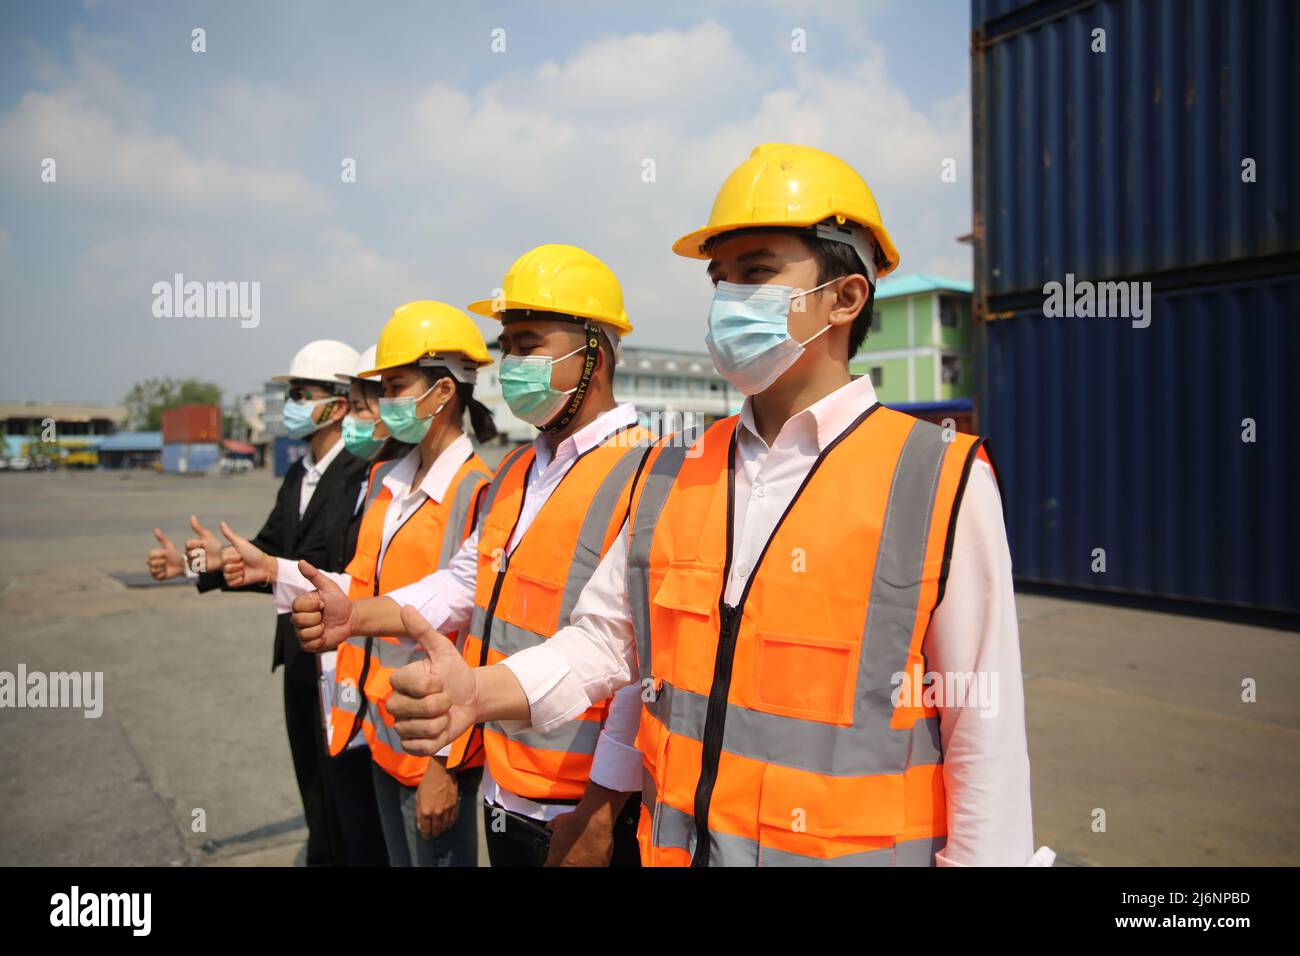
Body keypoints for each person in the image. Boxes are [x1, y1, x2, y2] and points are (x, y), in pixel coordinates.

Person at [384, 144, 1055, 867]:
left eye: (757, 273)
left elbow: (981, 735)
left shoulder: (936, 478)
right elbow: (605, 642)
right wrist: (480, 691)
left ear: (845, 297)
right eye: (720, 279)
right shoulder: (677, 472)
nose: (728, 298)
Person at [291, 245, 651, 867]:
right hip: (506, 781)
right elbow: (463, 584)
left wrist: (600, 811)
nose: (510, 362)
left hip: (584, 802)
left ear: (594, 352)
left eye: (529, 342)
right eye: (506, 344)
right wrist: (357, 614)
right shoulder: (519, 468)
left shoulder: (650, 468)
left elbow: (641, 657)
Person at [235, 304, 498, 866]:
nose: (384, 402)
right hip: (379, 727)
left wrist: (445, 767)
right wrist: (272, 570)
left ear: (443, 392)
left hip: (433, 742)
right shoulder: (388, 479)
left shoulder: (480, 491)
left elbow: (474, 638)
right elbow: (358, 586)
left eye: (396, 386)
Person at [200, 338, 384, 866]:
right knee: (313, 781)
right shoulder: (297, 473)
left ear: (338, 402)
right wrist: (208, 564)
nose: (293, 404)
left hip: (344, 656)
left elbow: (352, 573)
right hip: (299, 654)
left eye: (303, 393)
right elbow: (268, 555)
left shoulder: (362, 472)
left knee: (348, 793)